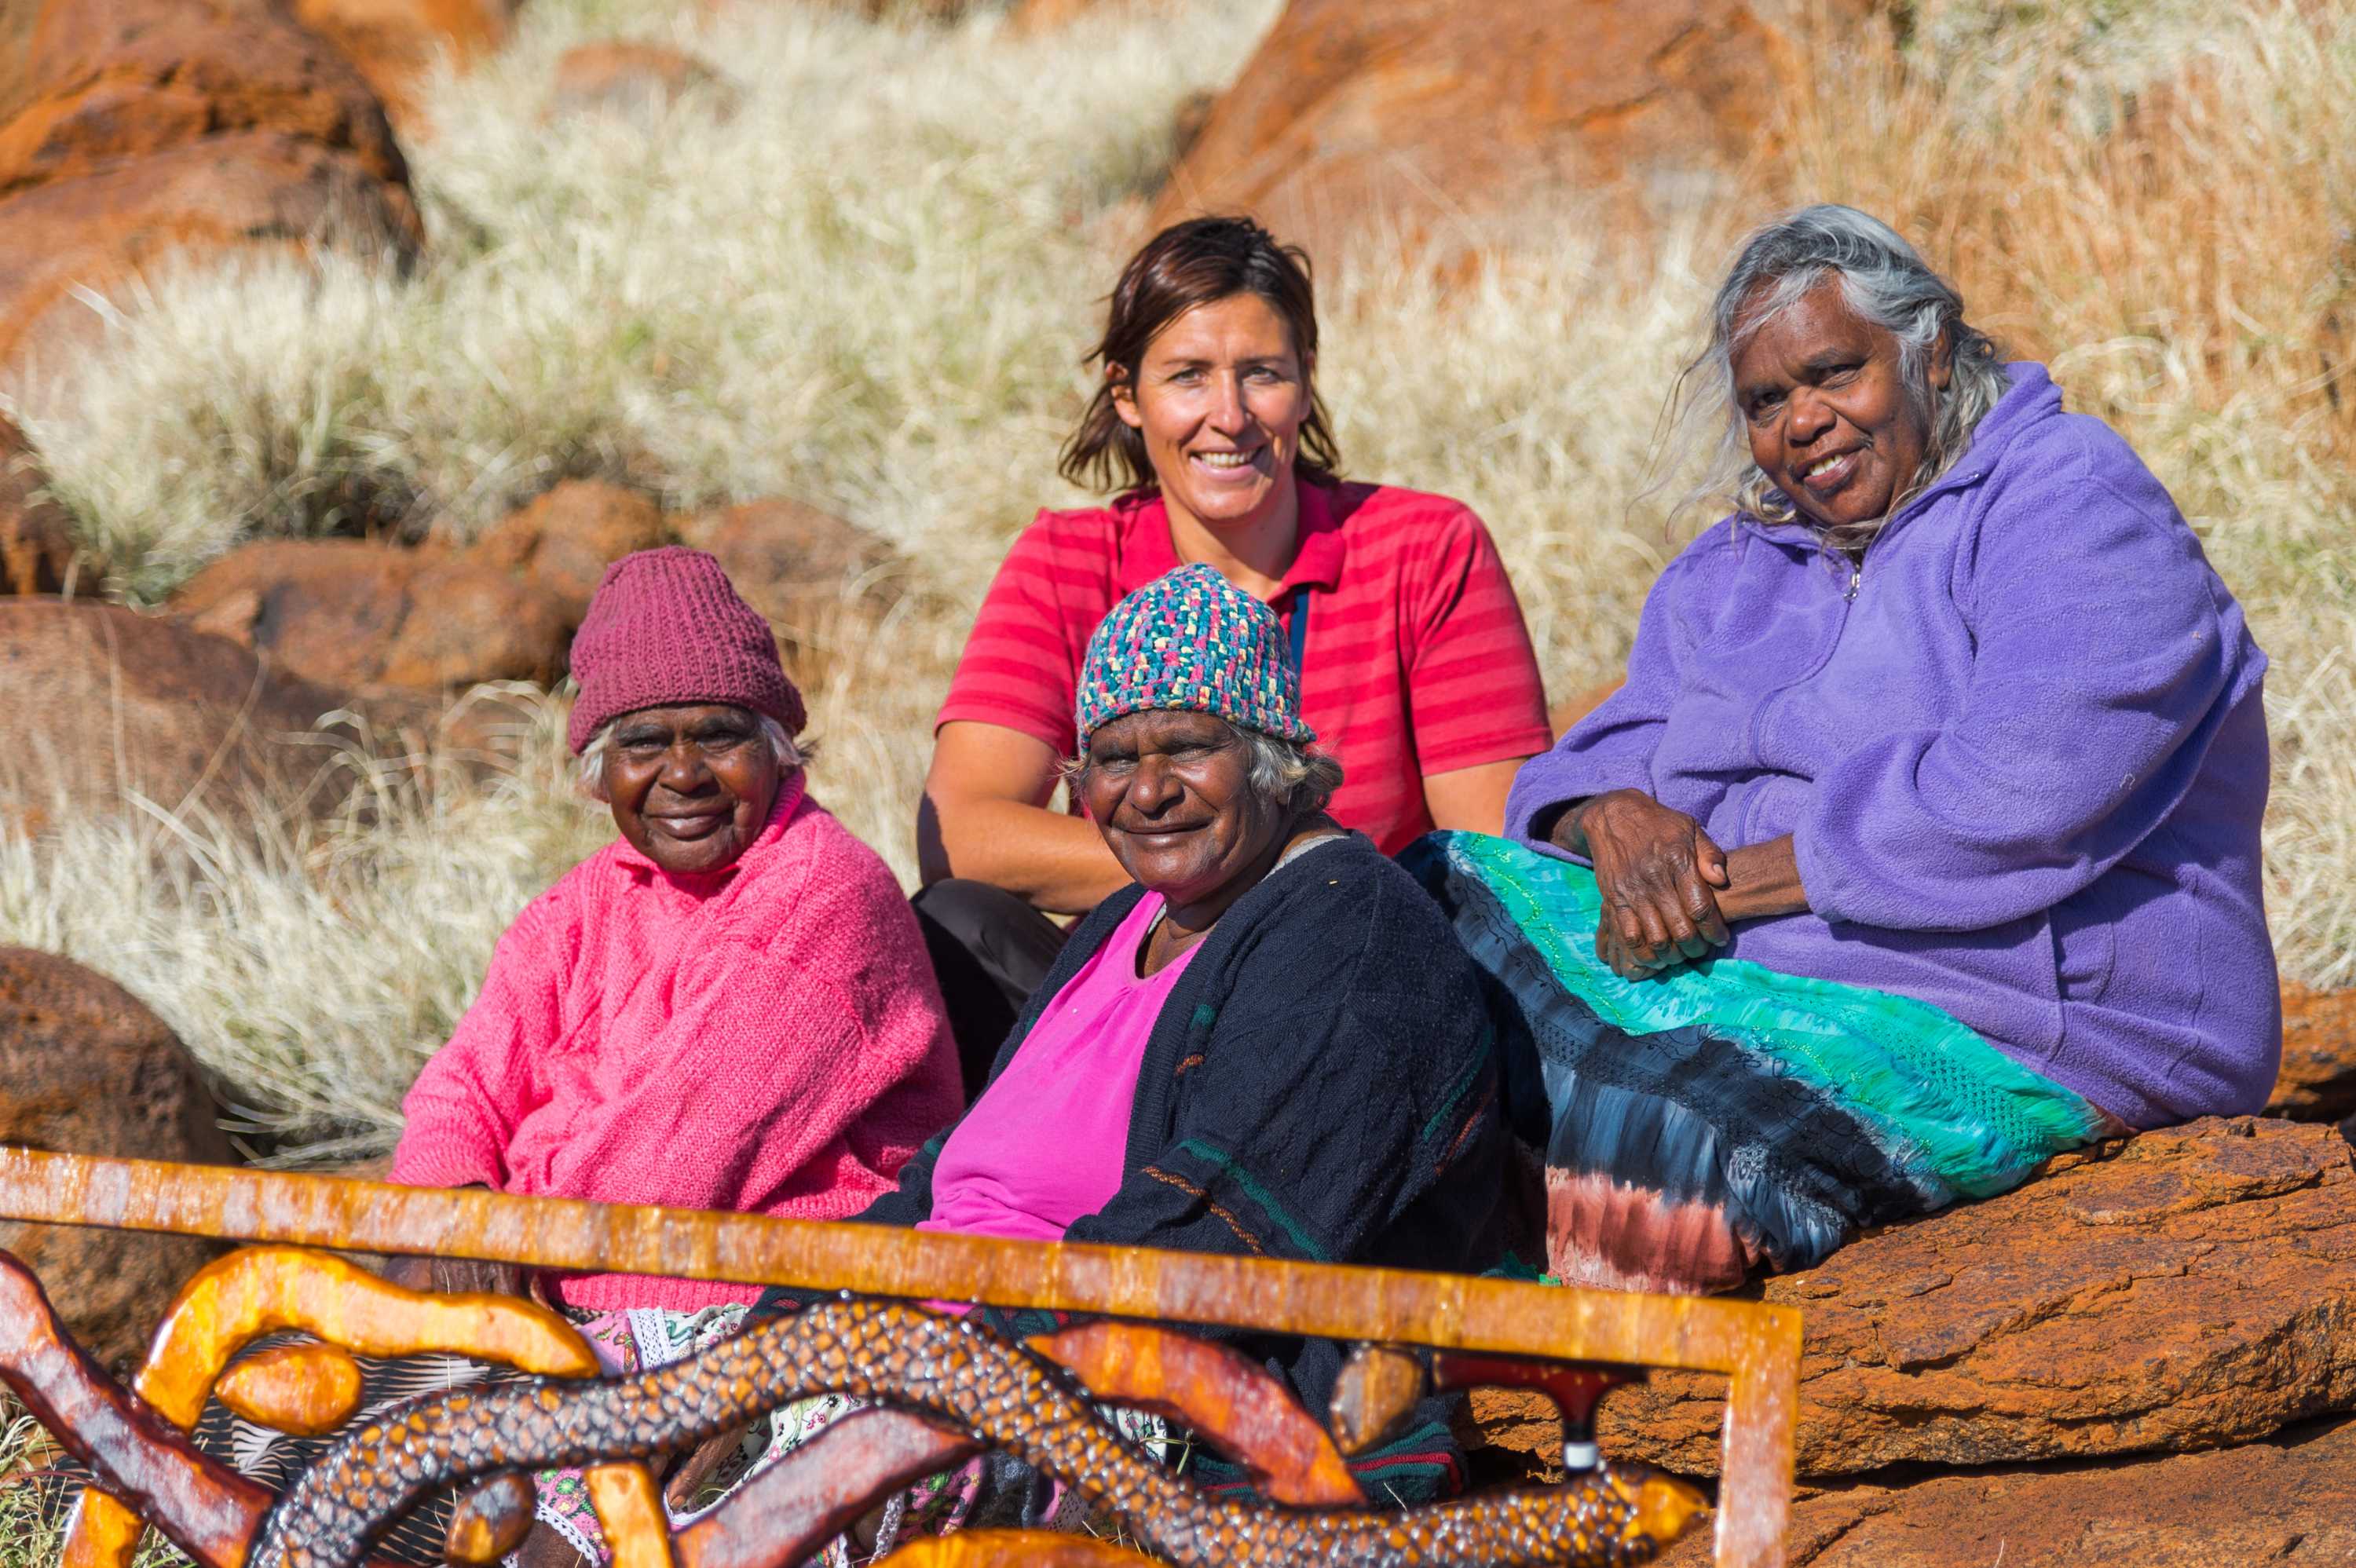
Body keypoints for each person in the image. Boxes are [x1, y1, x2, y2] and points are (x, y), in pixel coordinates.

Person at [1410, 204, 2278, 1297]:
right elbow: (1588, 761)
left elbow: (2023, 790)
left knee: (1668, 1140)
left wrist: (1720, 889)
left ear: (1934, 353)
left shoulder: (2067, 493)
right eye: (1767, 401)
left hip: (2035, 1020)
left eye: (1834, 372)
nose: (1802, 422)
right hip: (1755, 980)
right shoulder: (1734, 565)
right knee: (1409, 905)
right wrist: (1611, 821)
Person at [765, 563, 1514, 1508]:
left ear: (1272, 757)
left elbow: (1211, 1233)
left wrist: (946, 1342)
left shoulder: (1351, 934)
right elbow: (942, 1176)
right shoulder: (1126, 919)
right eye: (1115, 758)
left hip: (1139, 1397)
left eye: (1190, 746)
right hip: (969, 1333)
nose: (1149, 790)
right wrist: (797, 1304)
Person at [381, 546, 965, 1565]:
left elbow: (664, 1169)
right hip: (576, 1301)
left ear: (783, 748)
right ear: (599, 769)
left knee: (535, 1533)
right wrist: (452, 1191)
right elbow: (462, 1087)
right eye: (644, 742)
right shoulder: (584, 903)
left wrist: (500, 1208)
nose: (683, 775)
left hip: (757, 1313)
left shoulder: (826, 896)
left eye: (721, 737)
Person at [916, 215, 1553, 1086]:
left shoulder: (1423, 547)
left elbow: (1493, 854)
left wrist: (1276, 902)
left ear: (1305, 382)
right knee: (953, 920)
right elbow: (964, 838)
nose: (1230, 415)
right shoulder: (1066, 563)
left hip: (1345, 986)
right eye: (1187, 376)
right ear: (1127, 395)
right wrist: (1221, 866)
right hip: (1126, 991)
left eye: (1262, 373)